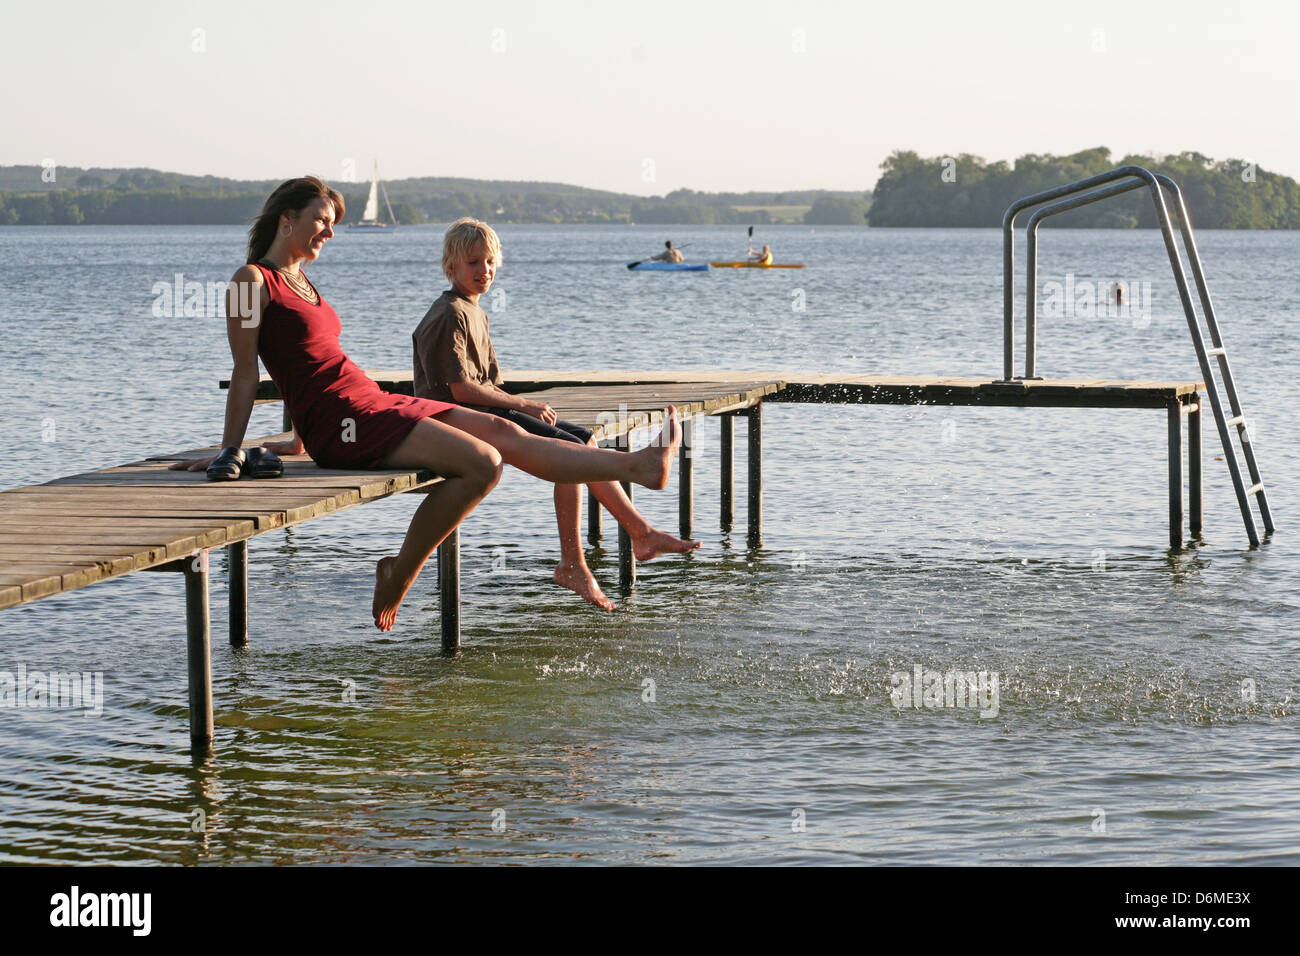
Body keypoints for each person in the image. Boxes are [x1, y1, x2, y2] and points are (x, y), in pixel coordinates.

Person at [172, 178, 684, 631]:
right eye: (321, 222)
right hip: (345, 422)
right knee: (483, 464)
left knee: (504, 435)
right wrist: (230, 451)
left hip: (364, 401)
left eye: (331, 224)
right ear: (288, 219)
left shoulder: (305, 282)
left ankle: (636, 466)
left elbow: (307, 363)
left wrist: (297, 440)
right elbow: (247, 373)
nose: (329, 232)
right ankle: (399, 570)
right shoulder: (251, 281)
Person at [413, 218, 700, 611]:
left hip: (482, 412)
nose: (485, 271)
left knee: (582, 441)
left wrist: (519, 405)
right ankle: (577, 559)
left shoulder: (474, 311)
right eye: (474, 263)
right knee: (566, 451)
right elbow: (462, 390)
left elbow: (487, 384)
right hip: (454, 424)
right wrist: (524, 405)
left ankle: (637, 534)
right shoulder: (450, 314)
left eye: (491, 262)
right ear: (451, 267)